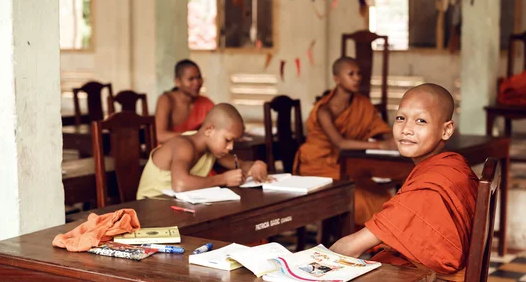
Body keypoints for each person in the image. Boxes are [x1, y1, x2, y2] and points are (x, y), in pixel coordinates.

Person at [330, 83, 478, 282]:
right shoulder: (451, 165)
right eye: (401, 118)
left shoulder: (437, 179)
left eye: (421, 121)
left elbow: (351, 246)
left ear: (447, 129)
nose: (407, 129)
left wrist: (309, 268)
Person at [294, 56, 397, 226]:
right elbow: (340, 143)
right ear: (337, 79)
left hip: (346, 166)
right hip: (318, 166)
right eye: (351, 74)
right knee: (363, 198)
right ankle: (362, 240)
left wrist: (394, 139)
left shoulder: (361, 104)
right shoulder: (324, 110)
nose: (357, 78)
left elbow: (379, 128)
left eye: (358, 73)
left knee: (381, 196)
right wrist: (382, 146)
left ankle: (375, 242)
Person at [137, 103, 269, 199]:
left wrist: (256, 165)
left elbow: (240, 165)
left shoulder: (211, 148)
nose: (230, 147)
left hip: (174, 205)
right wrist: (223, 179)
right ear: (209, 130)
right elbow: (180, 184)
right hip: (151, 206)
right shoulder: (183, 145)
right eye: (228, 140)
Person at [154, 59, 215, 144]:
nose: (196, 82)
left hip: (196, 153)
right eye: (191, 79)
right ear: (177, 82)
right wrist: (194, 137)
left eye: (199, 77)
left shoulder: (206, 103)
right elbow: (160, 136)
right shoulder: (166, 100)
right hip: (169, 153)